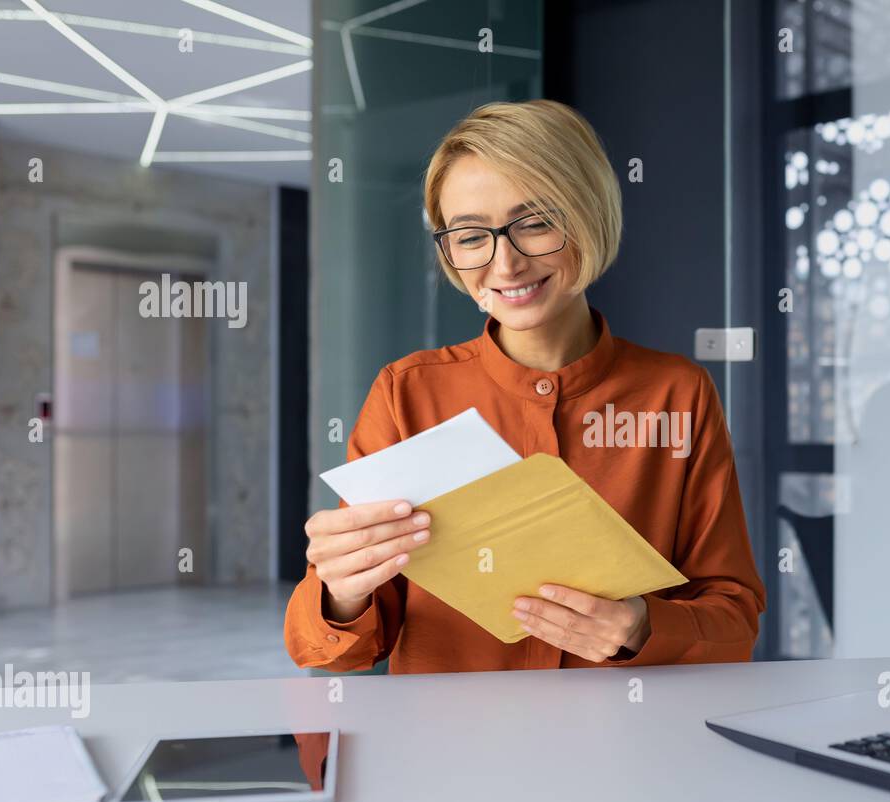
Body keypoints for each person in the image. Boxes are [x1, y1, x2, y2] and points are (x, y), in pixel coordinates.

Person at [284, 99, 765, 673]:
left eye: (535, 223)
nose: (504, 264)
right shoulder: (404, 393)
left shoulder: (677, 393)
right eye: (469, 237)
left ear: (589, 215)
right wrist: (342, 591)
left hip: (623, 746)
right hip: (452, 749)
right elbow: (337, 652)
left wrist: (642, 626)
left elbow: (734, 621)